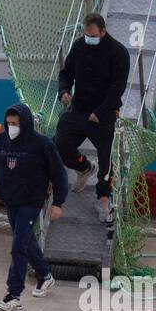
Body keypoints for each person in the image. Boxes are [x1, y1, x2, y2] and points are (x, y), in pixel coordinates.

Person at [0, 102, 69, 311]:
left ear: (25, 123)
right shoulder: (0, 141)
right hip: (10, 200)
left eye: (15, 123)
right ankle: (45, 275)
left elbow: (59, 174)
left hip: (31, 202)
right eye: (8, 123)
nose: (11, 127)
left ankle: (14, 294)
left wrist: (58, 203)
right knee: (27, 239)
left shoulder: (42, 145)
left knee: (18, 245)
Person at [55, 13, 130, 222]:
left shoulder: (119, 53)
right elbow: (66, 73)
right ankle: (84, 167)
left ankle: (103, 198)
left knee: (107, 158)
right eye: (86, 34)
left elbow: (118, 87)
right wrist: (63, 91)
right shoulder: (80, 46)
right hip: (78, 109)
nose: (89, 38)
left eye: (93, 35)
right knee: (59, 145)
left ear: (103, 32)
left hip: (103, 114)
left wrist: (101, 112)